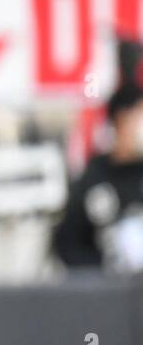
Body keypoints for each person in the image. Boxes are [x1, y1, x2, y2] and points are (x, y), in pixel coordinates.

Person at [53, 82, 143, 274]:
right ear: (122, 120)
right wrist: (100, 276)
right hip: (112, 290)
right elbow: (68, 242)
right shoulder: (95, 177)